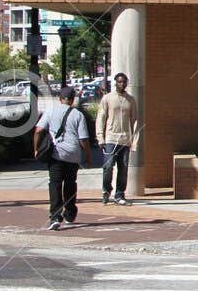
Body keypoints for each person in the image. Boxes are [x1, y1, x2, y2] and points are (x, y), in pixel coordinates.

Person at [34, 85, 91, 231]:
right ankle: (70, 213)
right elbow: (83, 139)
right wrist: (88, 156)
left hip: (56, 154)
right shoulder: (78, 115)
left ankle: (55, 216)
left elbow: (38, 130)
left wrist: (36, 149)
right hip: (73, 154)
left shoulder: (51, 110)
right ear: (72, 100)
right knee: (71, 183)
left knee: (55, 184)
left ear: (60, 99)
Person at [97, 71, 140, 205]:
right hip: (111, 138)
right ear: (115, 83)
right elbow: (101, 118)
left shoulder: (131, 100)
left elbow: (135, 121)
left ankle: (119, 194)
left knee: (123, 168)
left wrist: (134, 141)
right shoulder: (108, 98)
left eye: (124, 82)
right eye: (120, 81)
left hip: (125, 139)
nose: (122, 84)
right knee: (108, 166)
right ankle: (106, 190)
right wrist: (100, 138)